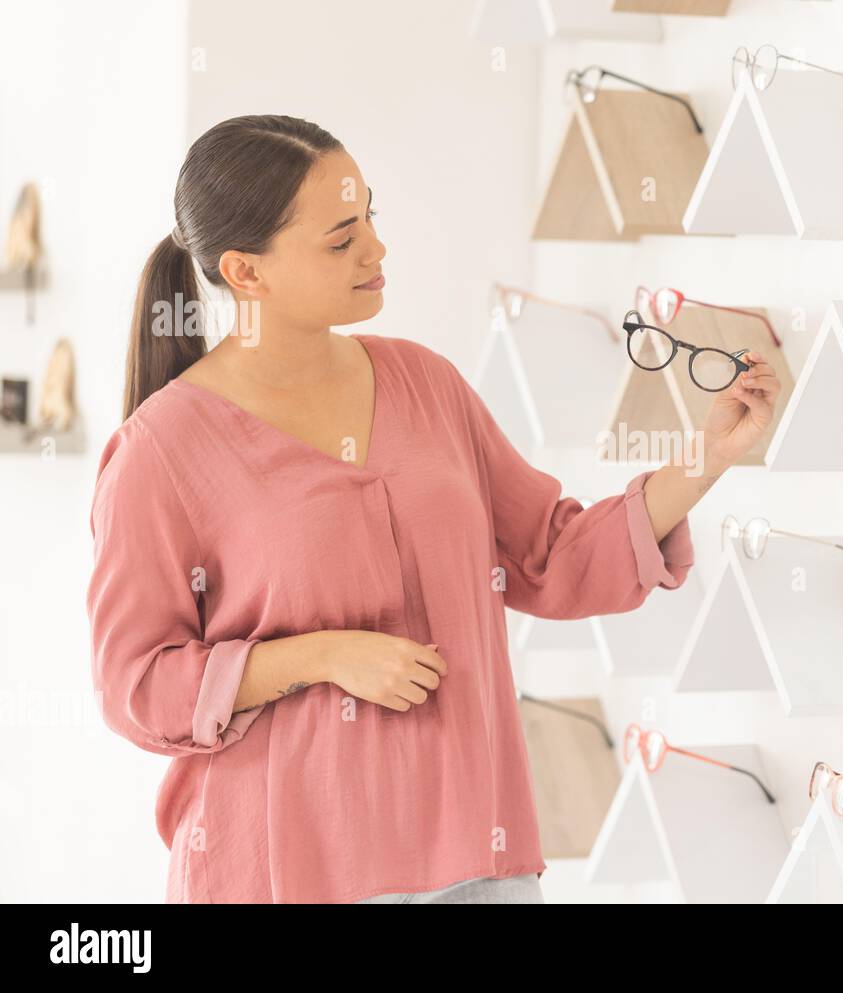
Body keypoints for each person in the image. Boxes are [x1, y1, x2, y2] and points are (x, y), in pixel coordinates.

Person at [85, 114, 781, 904]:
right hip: (288, 871)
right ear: (247, 273)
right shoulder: (162, 450)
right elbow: (134, 684)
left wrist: (710, 453)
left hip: (475, 857)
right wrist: (319, 655)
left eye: (371, 218)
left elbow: (552, 556)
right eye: (341, 239)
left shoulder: (427, 383)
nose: (376, 251)